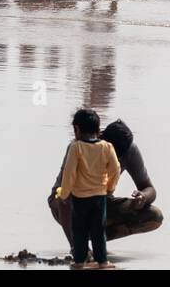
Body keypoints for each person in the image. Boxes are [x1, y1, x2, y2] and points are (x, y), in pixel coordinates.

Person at [49, 118, 162, 249]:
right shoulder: (79, 147)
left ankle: (98, 241)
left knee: (154, 216)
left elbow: (149, 188)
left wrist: (143, 196)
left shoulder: (129, 150)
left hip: (101, 204)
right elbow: (63, 197)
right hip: (69, 204)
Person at [53, 108, 121, 269]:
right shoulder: (107, 147)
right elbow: (115, 169)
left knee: (79, 230)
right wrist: (110, 187)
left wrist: (64, 194)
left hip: (80, 198)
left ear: (76, 129)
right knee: (99, 230)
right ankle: (103, 262)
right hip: (99, 197)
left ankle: (79, 261)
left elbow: (69, 174)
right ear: (98, 130)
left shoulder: (76, 148)